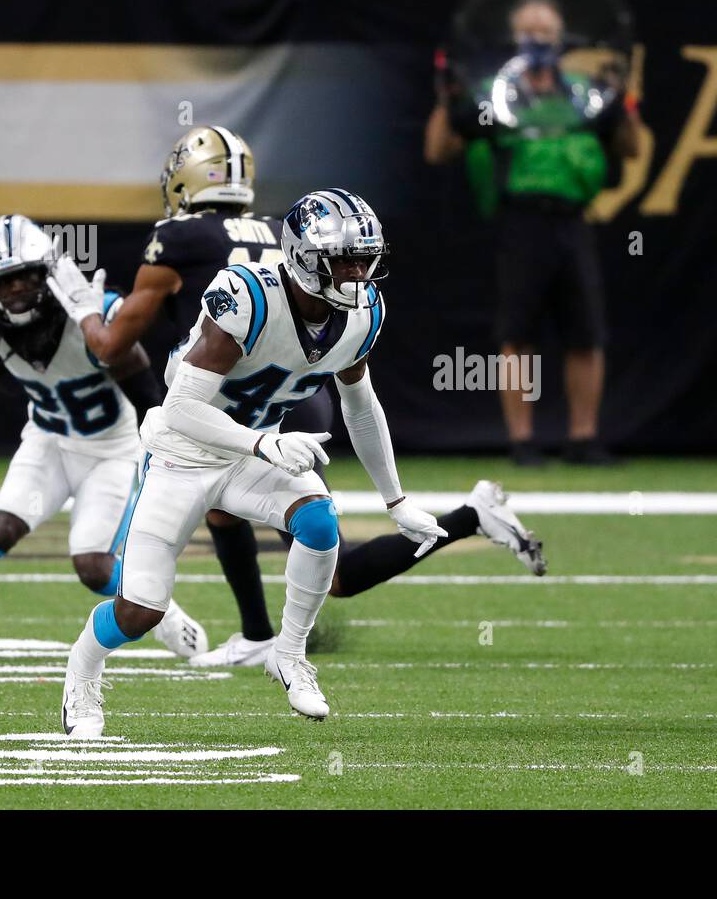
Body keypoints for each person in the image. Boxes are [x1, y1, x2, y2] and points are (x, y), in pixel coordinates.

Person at [49, 128, 545, 671]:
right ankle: (259, 635)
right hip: (286, 398)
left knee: (335, 572)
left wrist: (83, 308)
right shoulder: (273, 230)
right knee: (220, 510)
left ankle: (470, 515)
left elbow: (112, 346)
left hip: (257, 407)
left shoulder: (180, 238)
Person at [0, 215, 206, 662]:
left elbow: (145, 389)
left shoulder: (95, 315)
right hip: (49, 440)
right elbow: (0, 361)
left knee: (92, 566)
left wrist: (162, 446)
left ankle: (166, 615)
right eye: (3, 280)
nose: (15, 289)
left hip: (111, 452)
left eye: (25, 276)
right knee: (2, 529)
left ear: (48, 271)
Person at [425, 0, 642, 466]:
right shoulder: (494, 96)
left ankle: (583, 439)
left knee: (586, 333)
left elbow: (630, 149)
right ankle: (522, 441)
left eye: (546, 34)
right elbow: (439, 150)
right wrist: (447, 100)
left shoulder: (584, 95)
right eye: (529, 33)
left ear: (562, 41)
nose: (538, 42)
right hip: (520, 222)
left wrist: (624, 104)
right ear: (512, 39)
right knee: (517, 334)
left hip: (573, 220)